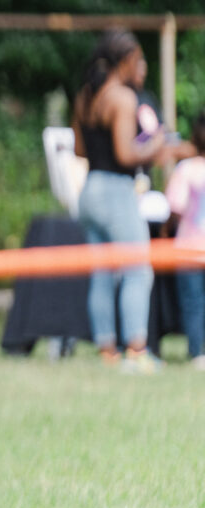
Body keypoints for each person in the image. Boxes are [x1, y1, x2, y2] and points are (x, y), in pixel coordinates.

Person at [73, 30, 172, 371]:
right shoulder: (123, 99)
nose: (141, 66)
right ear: (126, 60)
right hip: (116, 191)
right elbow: (126, 153)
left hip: (88, 190)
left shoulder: (86, 96)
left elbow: (78, 150)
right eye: (138, 59)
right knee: (137, 269)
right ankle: (136, 350)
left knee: (101, 274)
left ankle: (106, 351)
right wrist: (157, 143)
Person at [165, 110, 205, 367]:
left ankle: (197, 352)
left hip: (189, 247)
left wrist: (165, 232)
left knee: (193, 303)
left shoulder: (186, 169)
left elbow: (175, 208)